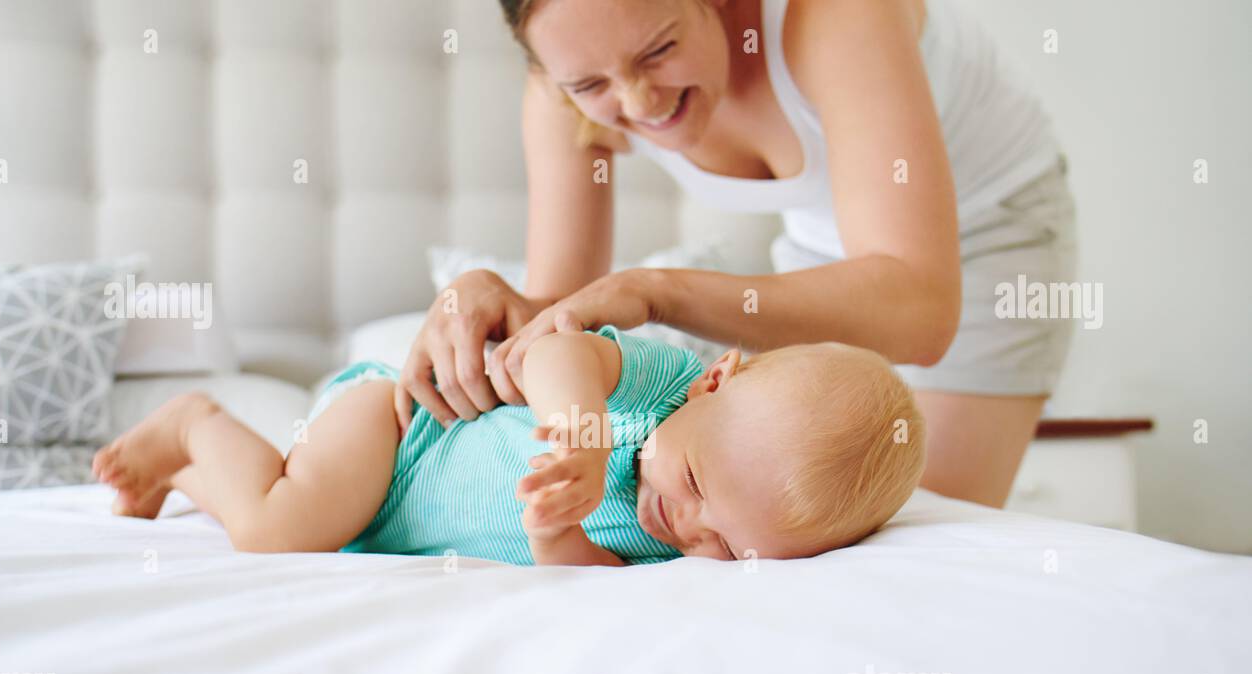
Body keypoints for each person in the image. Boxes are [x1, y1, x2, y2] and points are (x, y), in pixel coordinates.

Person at [395, 0, 1076, 507]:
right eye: (589, 86)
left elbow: (922, 313)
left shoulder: (833, 17)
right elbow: (555, 311)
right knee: (770, 520)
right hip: (825, 253)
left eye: (658, 50)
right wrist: (483, 296)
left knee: (912, 529)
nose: (636, 99)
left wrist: (659, 291)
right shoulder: (565, 84)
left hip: (987, 235)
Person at [91, 326, 925, 566]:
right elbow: (558, 348)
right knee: (279, 526)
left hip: (379, 524)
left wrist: (558, 533)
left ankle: (185, 473)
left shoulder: (670, 547)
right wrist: (584, 435)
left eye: (728, 545)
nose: (688, 522)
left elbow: (586, 579)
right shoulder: (662, 382)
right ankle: (197, 420)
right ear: (718, 379)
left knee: (298, 519)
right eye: (699, 480)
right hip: (399, 428)